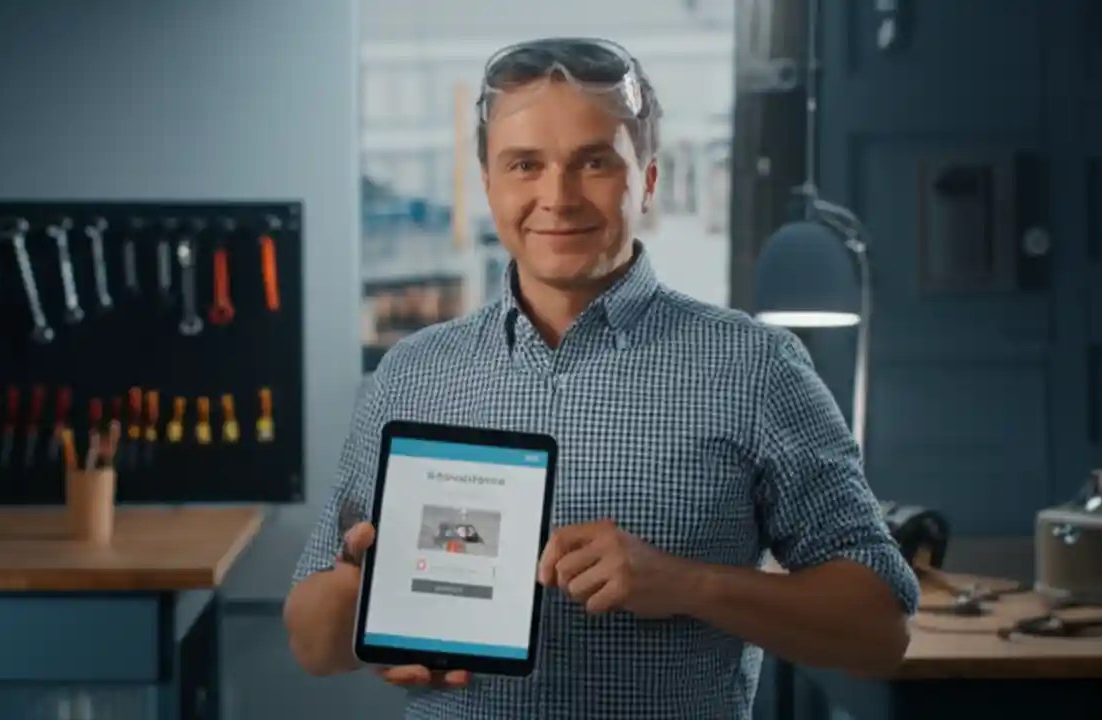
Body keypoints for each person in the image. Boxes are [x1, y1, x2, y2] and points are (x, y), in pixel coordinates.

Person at [283, 37, 920, 720]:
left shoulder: (756, 367)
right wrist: (372, 606)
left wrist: (688, 584)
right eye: (524, 165)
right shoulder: (412, 373)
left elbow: (879, 628)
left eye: (594, 163)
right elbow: (312, 641)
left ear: (646, 179)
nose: (556, 197)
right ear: (488, 181)